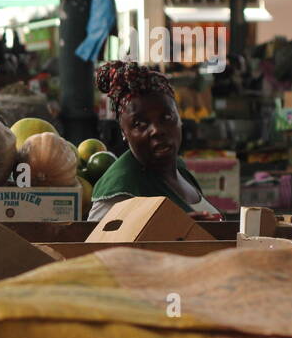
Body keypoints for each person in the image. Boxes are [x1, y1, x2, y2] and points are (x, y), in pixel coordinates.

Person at [88, 60, 222, 222]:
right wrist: (168, 234)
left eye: (166, 117)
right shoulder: (119, 190)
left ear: (180, 119)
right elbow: (97, 244)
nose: (157, 130)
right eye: (140, 124)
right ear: (124, 132)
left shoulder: (180, 170)